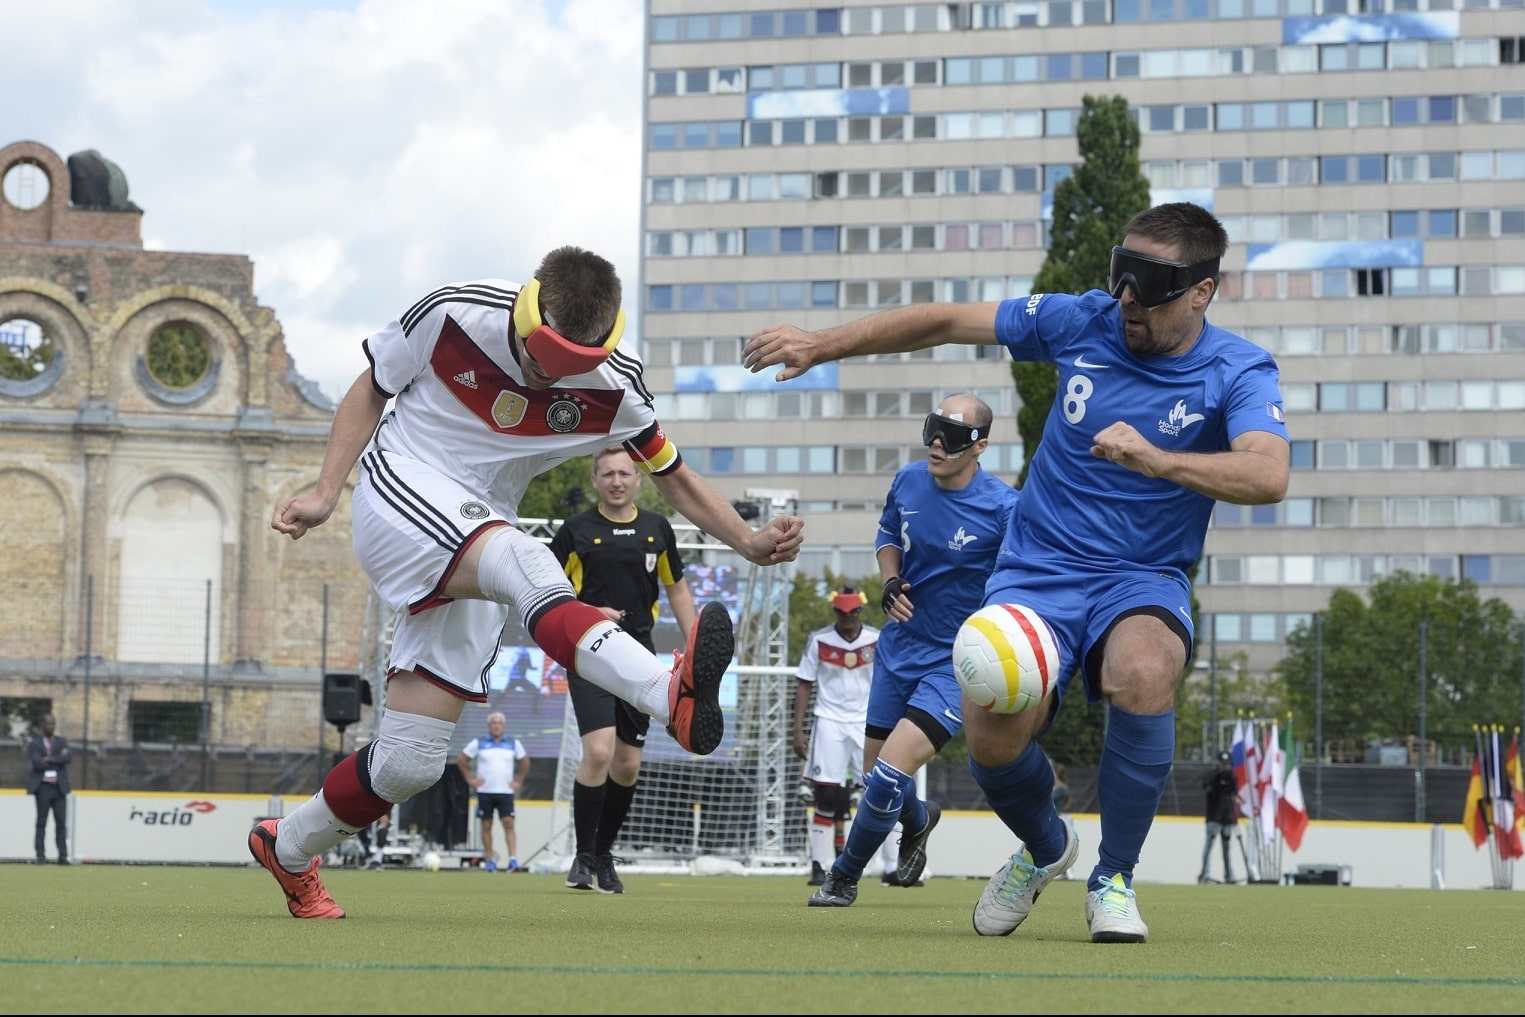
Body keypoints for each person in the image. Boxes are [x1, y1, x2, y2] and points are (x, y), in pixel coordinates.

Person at [745, 202, 1289, 941]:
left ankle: (1113, 879)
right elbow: (942, 320)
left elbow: (1268, 471)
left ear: (1201, 290)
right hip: (1036, 572)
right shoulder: (1079, 320)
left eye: (1150, 282)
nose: (1125, 297)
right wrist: (821, 343)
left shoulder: (1238, 369)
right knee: (991, 732)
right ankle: (1044, 847)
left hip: (1140, 576)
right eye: (1118, 274)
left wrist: (1158, 459)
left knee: (1143, 668)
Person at [261, 245, 803, 918]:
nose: (548, 376)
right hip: (400, 487)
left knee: (410, 761)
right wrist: (323, 492)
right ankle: (670, 695)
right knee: (527, 561)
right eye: (542, 355)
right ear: (525, 309)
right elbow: (370, 387)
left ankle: (286, 847)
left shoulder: (618, 385)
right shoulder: (455, 311)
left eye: (571, 366)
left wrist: (749, 542)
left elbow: (674, 475)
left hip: (482, 528)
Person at [808, 394, 1018, 907]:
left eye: (953, 435)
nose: (938, 443)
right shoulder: (906, 480)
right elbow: (886, 534)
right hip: (898, 649)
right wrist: (890, 581)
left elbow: (1024, 579)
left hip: (955, 661)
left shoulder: (1005, 507)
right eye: (933, 428)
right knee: (874, 775)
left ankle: (843, 877)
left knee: (888, 773)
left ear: (981, 447)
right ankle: (920, 819)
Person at [549, 446, 698, 894]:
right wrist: (589, 610)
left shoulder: (657, 528)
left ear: (638, 480)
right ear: (595, 480)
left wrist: (696, 649)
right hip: (589, 651)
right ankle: (581, 857)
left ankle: (604, 854)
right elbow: (545, 591)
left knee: (628, 765)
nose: (617, 480)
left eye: (625, 473)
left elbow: (677, 589)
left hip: (641, 656)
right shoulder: (574, 531)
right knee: (598, 751)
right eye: (608, 473)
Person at [793, 585, 878, 887]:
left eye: (853, 612)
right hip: (828, 720)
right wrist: (798, 728)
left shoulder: (877, 640)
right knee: (826, 793)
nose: (848, 618)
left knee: (878, 790)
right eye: (842, 613)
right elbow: (804, 682)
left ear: (860, 611)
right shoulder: (819, 640)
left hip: (866, 723)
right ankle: (819, 864)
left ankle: (890, 866)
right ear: (835, 612)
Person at [457, 711, 531, 872]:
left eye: (499, 723)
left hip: (505, 791)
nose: (496, 725)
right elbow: (462, 759)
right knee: (486, 824)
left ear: (503, 726)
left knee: (508, 823)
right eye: (493, 723)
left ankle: (513, 860)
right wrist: (470, 778)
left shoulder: (513, 743)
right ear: (489, 726)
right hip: (485, 791)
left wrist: (519, 780)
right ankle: (490, 860)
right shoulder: (479, 743)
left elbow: (525, 761)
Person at [27, 713, 71, 865]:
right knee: (41, 823)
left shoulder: (61, 741)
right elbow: (37, 763)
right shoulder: (35, 743)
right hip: (43, 788)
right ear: (43, 725)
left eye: (52, 724)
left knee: (61, 823)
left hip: (59, 788)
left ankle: (63, 856)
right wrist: (57, 760)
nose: (50, 726)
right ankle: (40, 856)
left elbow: (67, 758)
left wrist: (49, 759)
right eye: (47, 724)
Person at [1199, 751, 1239, 884]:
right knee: (1209, 846)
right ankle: (1204, 874)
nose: (1225, 767)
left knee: (1227, 847)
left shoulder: (1232, 777)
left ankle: (1229, 874)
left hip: (1227, 816)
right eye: (1223, 764)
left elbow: (1235, 794)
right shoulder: (1212, 776)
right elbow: (1207, 789)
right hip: (1214, 816)